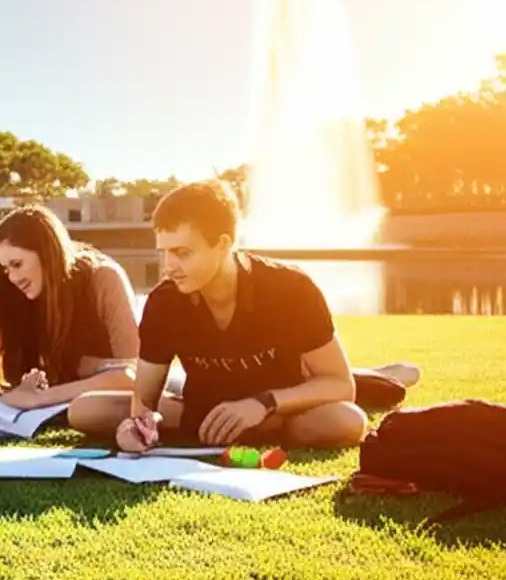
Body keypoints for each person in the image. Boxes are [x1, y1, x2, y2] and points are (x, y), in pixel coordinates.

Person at [71, 180, 418, 453]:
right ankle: (240, 426)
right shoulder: (165, 301)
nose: (169, 266)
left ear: (223, 245)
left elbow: (342, 386)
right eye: (164, 253)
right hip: (203, 413)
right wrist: (137, 426)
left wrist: (261, 405)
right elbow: (143, 400)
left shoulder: (291, 288)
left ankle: (385, 378)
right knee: (84, 411)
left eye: (182, 253)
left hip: (280, 412)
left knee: (346, 420)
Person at [0, 206, 141, 425]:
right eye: (7, 269)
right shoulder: (25, 300)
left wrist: (40, 398)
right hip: (80, 401)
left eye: (18, 264)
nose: (13, 278)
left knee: (86, 410)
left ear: (47, 252)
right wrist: (22, 390)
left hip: (125, 396)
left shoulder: (103, 278)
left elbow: (134, 376)